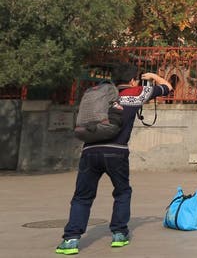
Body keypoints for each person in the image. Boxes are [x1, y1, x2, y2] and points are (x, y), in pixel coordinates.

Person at [55, 65, 172, 255]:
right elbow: (168, 87)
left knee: (82, 196)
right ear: (133, 81)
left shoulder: (99, 96)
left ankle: (70, 239)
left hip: (90, 151)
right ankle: (119, 234)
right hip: (116, 152)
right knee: (122, 192)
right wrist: (153, 76)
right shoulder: (135, 93)